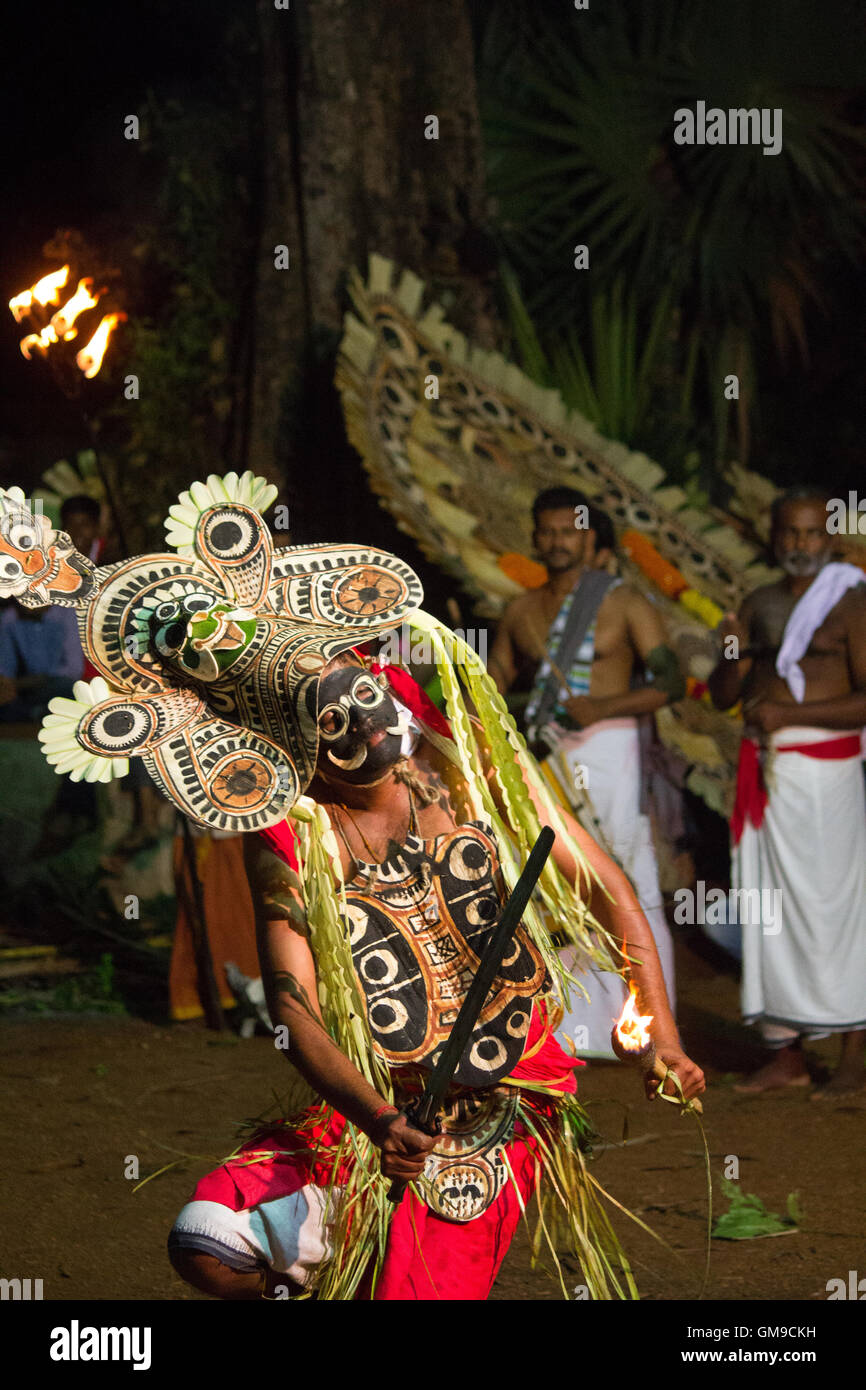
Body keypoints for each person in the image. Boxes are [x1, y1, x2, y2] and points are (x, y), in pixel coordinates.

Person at [0, 472, 703, 1300]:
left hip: (505, 1094)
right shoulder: (295, 837)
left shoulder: (474, 769)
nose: (371, 722)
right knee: (207, 1238)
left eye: (367, 695)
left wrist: (661, 1032)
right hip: (376, 1100)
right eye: (338, 718)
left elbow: (605, 888)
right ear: (301, 746)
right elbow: (293, 1012)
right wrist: (379, 1119)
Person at [488, 487, 684, 1054]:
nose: (556, 541)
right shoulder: (521, 611)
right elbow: (494, 681)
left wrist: (603, 706)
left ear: (590, 537)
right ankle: (583, 1031)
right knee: (559, 883)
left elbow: (669, 682)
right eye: (546, 531)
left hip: (610, 748)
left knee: (627, 875)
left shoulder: (623, 603)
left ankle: (650, 1029)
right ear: (534, 537)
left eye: (567, 531)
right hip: (548, 757)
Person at [708, 487, 866, 1096]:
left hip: (826, 773)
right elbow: (724, 693)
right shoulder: (757, 603)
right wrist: (729, 648)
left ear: (829, 537)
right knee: (766, 907)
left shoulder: (851, 604)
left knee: (837, 905)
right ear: (772, 536)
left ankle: (854, 1048)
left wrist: (790, 720)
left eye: (811, 533)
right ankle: (786, 1055)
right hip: (766, 771)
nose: (800, 544)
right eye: (789, 533)